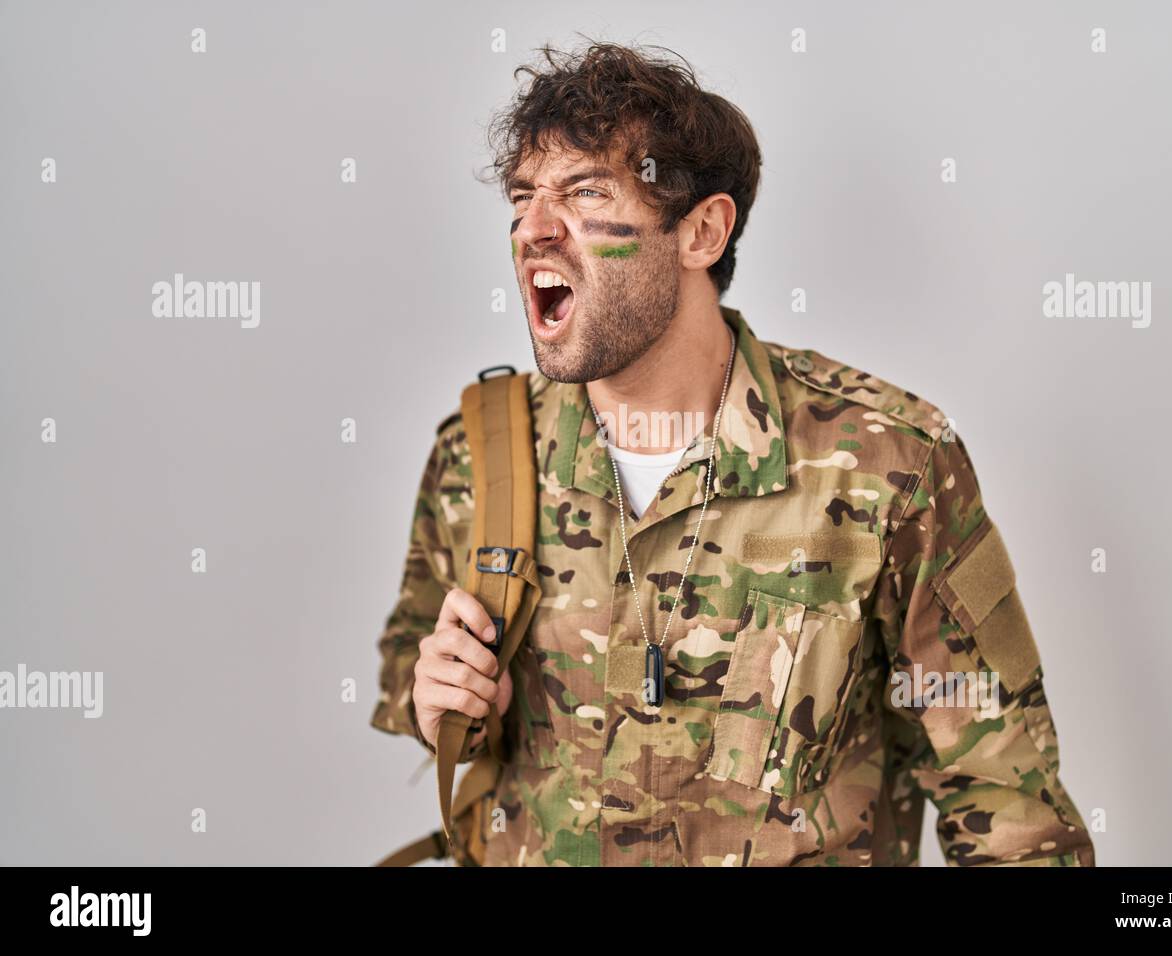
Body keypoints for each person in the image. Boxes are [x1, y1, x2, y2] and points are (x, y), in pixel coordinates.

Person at [371, 41, 1095, 867]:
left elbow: (1010, 810)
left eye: (585, 193)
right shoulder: (478, 456)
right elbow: (406, 671)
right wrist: (446, 709)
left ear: (702, 231)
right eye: (525, 197)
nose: (533, 228)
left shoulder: (889, 463)